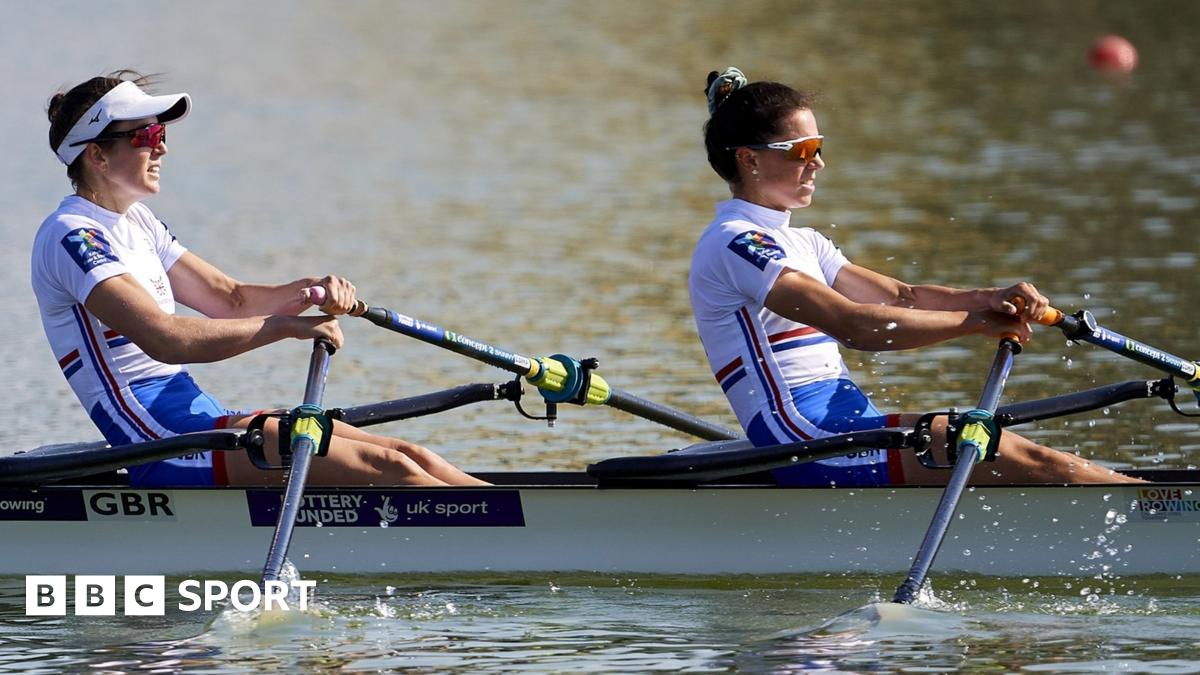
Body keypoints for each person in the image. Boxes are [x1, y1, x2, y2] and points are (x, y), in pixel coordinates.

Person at [690, 67, 1138, 486]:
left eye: (819, 148)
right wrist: (975, 323)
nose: (818, 164)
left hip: (846, 424)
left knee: (1026, 455)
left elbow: (901, 297)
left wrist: (990, 297)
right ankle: (1151, 507)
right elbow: (854, 325)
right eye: (803, 151)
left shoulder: (805, 242)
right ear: (749, 160)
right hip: (803, 439)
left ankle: (1143, 500)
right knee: (1027, 459)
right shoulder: (737, 244)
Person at [34, 70, 484, 488]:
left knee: (410, 455)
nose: (162, 149)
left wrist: (311, 292)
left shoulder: (138, 222)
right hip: (158, 442)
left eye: (162, 135)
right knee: (390, 470)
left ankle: (515, 526)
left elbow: (230, 299)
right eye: (146, 137)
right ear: (97, 154)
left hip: (199, 418)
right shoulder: (72, 235)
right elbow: (166, 339)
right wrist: (285, 327)